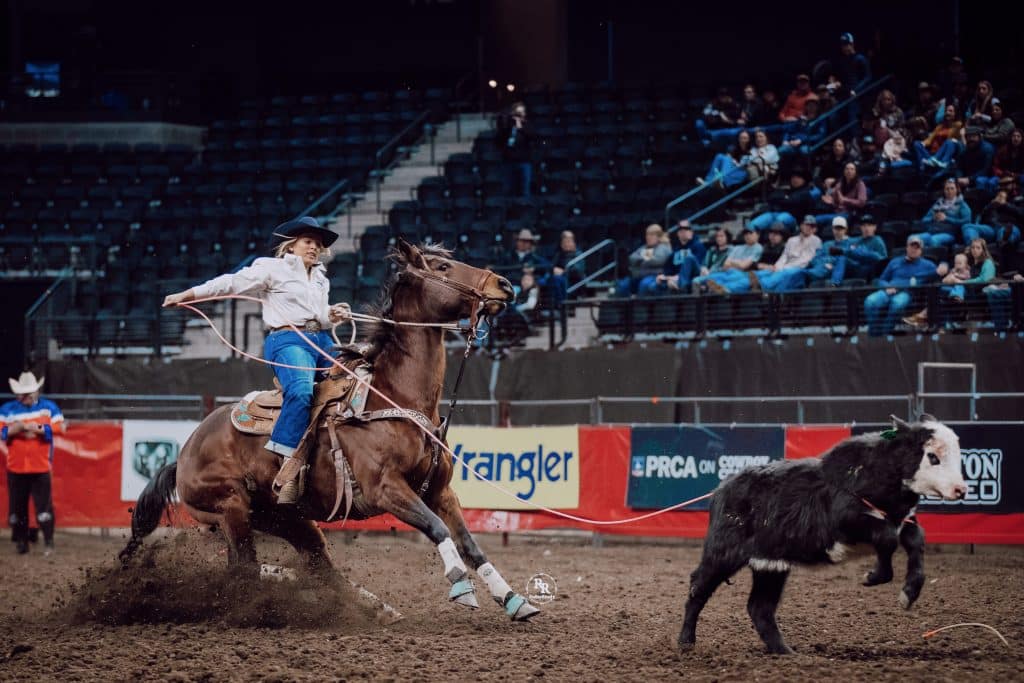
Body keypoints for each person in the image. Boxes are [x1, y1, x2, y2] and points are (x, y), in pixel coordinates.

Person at [162, 216, 350, 505]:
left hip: (321, 341)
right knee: (300, 391)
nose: (314, 247)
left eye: (318, 243)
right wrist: (187, 294)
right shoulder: (271, 269)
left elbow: (319, 316)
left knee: (356, 382)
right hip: (287, 340)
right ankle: (287, 463)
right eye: (308, 241)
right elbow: (231, 283)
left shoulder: (321, 278)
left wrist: (331, 315)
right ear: (292, 245)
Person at [1, 371, 64, 555]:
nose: (24, 397)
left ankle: (49, 541)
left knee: (43, 507)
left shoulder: (48, 407)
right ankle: (22, 542)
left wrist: (35, 429)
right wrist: (17, 429)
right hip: (16, 467)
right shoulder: (7, 409)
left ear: (35, 392)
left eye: (27, 393)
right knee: (18, 507)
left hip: (40, 466)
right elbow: (1, 431)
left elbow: (59, 427)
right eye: (22, 393)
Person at [906, 239, 996, 329]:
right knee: (937, 292)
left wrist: (961, 282)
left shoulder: (988, 262)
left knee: (939, 293)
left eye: (978, 248)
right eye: (973, 247)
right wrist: (950, 279)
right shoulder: (971, 262)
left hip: (977, 294)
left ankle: (925, 318)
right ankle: (936, 325)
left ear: (983, 250)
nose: (975, 250)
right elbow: (959, 269)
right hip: (966, 290)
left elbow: (984, 280)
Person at [864, 235, 941, 336]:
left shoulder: (927, 265)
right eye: (911, 246)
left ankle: (884, 334)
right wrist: (887, 286)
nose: (914, 249)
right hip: (888, 290)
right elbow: (881, 279)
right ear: (907, 247)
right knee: (870, 301)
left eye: (917, 247)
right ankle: (874, 334)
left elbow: (942, 268)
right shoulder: (895, 262)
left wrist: (944, 265)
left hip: (907, 293)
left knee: (897, 304)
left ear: (921, 250)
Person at [649, 221, 708, 294]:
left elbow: (698, 266)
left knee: (688, 258)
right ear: (678, 233)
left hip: (695, 277)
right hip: (675, 279)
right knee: (653, 286)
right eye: (681, 230)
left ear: (691, 232)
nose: (684, 232)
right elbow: (667, 269)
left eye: (687, 229)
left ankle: (682, 286)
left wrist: (677, 277)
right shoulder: (675, 250)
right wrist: (664, 277)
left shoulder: (698, 246)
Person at [913, 178, 972, 248]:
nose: (949, 191)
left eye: (952, 188)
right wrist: (933, 218)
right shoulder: (938, 203)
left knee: (933, 240)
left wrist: (947, 219)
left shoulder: (962, 204)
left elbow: (967, 221)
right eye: (947, 189)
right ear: (944, 190)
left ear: (957, 190)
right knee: (912, 239)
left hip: (949, 234)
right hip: (932, 232)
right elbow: (924, 220)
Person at [615, 223, 672, 297]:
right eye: (647, 235)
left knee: (644, 285)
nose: (648, 237)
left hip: (656, 275)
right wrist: (645, 259)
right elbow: (632, 258)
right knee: (623, 285)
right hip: (639, 275)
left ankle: (641, 307)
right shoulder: (644, 248)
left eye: (651, 235)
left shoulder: (664, 247)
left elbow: (657, 260)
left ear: (658, 236)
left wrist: (641, 261)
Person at [803, 216, 855, 286]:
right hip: (824, 269)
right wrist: (825, 264)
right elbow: (815, 259)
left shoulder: (851, 242)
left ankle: (834, 283)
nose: (838, 231)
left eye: (841, 228)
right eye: (836, 228)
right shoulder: (827, 244)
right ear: (832, 229)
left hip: (844, 270)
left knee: (841, 259)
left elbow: (853, 260)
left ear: (845, 229)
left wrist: (832, 263)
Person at [496, 101, 533, 197]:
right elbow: (499, 141)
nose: (519, 116)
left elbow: (531, 138)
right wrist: (507, 125)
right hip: (509, 162)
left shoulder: (528, 126)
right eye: (517, 113)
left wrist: (520, 127)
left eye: (521, 113)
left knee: (525, 190)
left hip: (524, 162)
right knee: (508, 189)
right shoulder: (507, 127)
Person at [914, 104, 964, 170]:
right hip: (932, 154)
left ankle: (932, 163)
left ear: (955, 113)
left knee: (949, 142)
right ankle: (923, 165)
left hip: (942, 154)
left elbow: (952, 140)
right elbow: (930, 139)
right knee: (917, 143)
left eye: (950, 111)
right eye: (946, 111)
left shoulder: (957, 125)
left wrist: (951, 123)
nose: (947, 113)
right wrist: (923, 143)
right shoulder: (940, 126)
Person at [541, 230, 584, 308]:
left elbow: (578, 271)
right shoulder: (559, 254)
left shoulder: (578, 254)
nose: (566, 244)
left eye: (569, 241)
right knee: (547, 280)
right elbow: (552, 266)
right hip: (559, 280)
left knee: (557, 279)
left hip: (573, 282)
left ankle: (560, 305)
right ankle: (556, 305)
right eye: (564, 242)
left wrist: (563, 272)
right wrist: (553, 269)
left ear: (574, 243)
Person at [839, 214, 888, 281]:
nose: (866, 228)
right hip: (855, 267)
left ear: (875, 227)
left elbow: (883, 259)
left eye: (869, 225)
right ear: (861, 228)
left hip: (870, 269)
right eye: (864, 226)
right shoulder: (855, 240)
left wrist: (863, 254)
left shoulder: (877, 240)